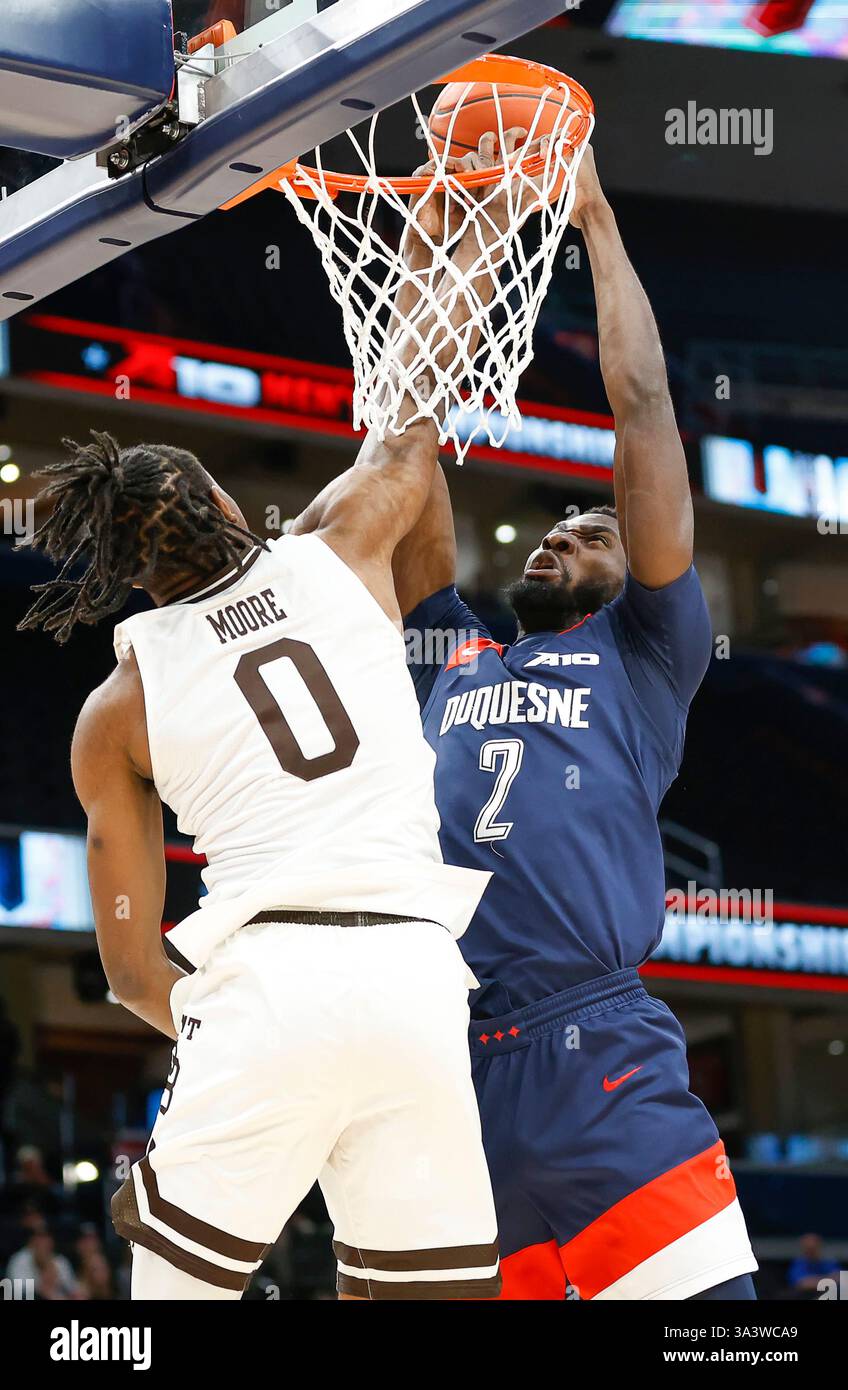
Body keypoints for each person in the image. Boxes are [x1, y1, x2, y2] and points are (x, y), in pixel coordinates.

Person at [17, 135, 530, 1301]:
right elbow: (410, 414)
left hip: (265, 984)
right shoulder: (337, 547)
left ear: (126, 580)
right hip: (414, 977)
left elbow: (129, 958)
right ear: (214, 499)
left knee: (165, 1301)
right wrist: (488, 219)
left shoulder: (118, 708)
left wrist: (230, 1038)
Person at [394, 147, 758, 1300]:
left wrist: (590, 212)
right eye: (552, 528)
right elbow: (403, 444)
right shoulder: (445, 652)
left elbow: (640, 402)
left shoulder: (644, 650)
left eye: (592, 530)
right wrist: (452, 245)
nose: (560, 536)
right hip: (448, 1079)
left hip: (596, 1051)